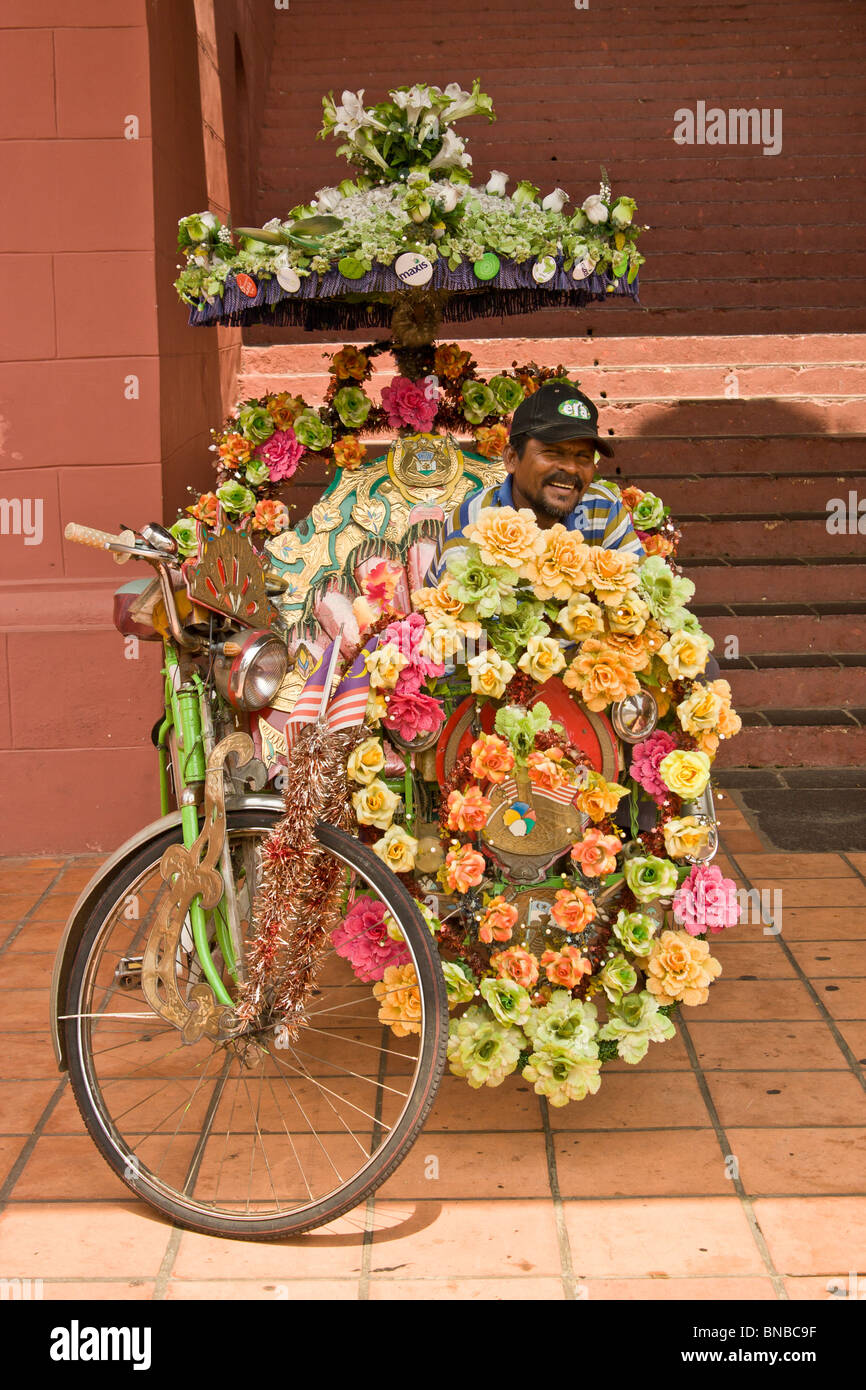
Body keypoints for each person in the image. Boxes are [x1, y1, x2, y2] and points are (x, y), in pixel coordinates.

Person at [427, 381, 643, 585]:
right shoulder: (473, 522)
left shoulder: (601, 508)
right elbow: (458, 621)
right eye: (552, 452)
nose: (570, 468)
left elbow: (640, 594)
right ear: (511, 458)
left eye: (583, 456)